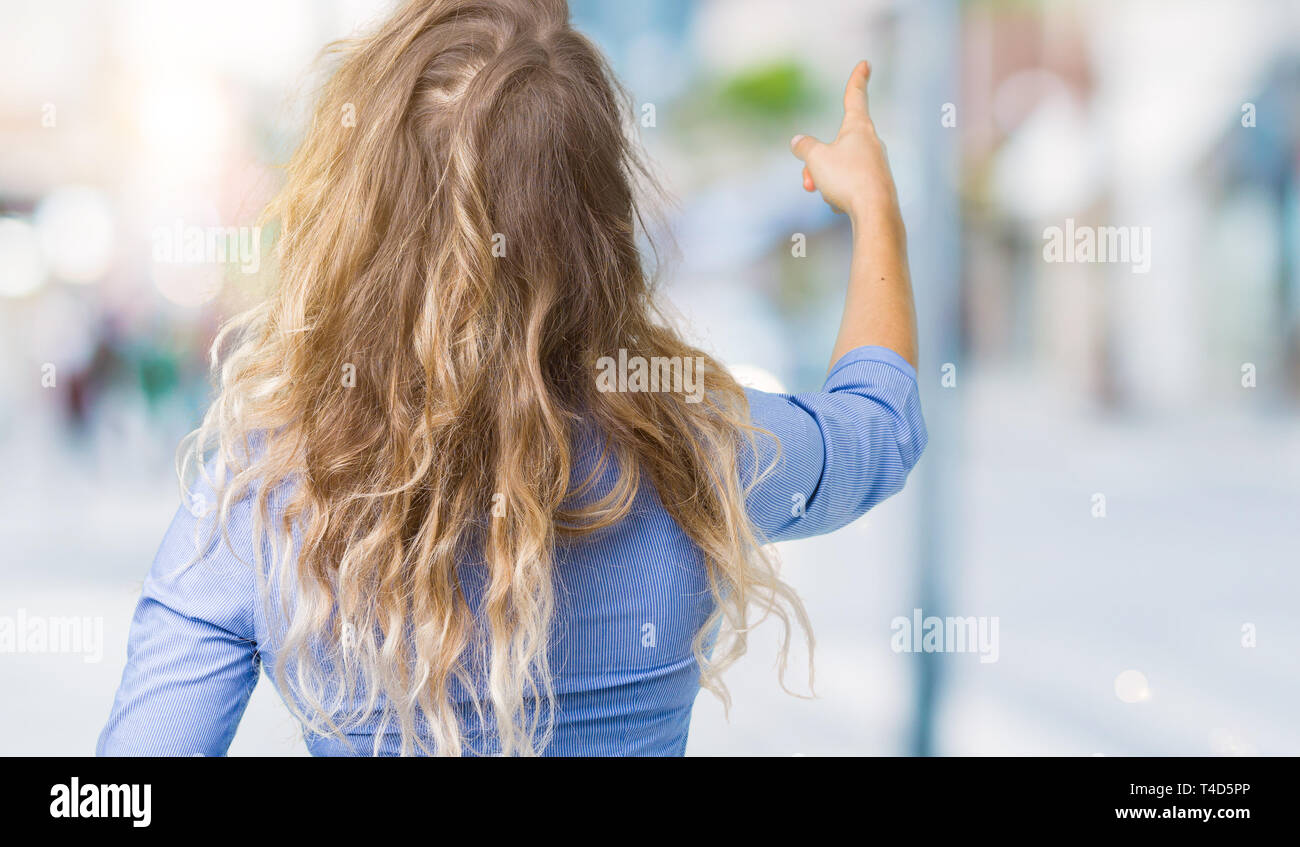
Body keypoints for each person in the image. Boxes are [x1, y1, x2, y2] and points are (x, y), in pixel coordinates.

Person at [97, 0, 925, 756]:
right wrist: (875, 209)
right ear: (603, 221)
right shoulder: (697, 454)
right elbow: (879, 424)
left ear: (355, 220)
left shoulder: (262, 501)